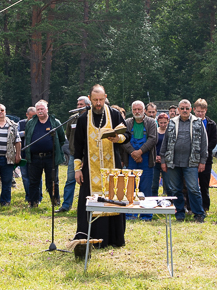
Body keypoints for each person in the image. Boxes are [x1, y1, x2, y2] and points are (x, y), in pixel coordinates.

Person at [70, 84, 131, 254]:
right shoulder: (83, 118)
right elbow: (78, 146)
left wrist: (117, 137)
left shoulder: (115, 114)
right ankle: (89, 236)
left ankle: (115, 238)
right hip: (90, 169)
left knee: (114, 199)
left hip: (112, 167)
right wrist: (77, 169)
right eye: (95, 100)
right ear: (89, 99)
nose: (98, 103)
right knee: (89, 201)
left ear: (105, 97)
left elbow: (127, 136)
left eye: (101, 99)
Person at [161, 99, 209, 222]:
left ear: (191, 109)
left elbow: (204, 143)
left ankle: (198, 214)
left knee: (193, 188)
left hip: (191, 162)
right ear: (178, 109)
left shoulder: (198, 123)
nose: (184, 110)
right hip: (173, 162)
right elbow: (165, 142)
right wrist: (163, 160)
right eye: (182, 108)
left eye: (187, 108)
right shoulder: (171, 122)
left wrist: (203, 161)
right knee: (175, 189)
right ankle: (179, 214)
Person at [24, 100, 66, 209]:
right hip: (34, 157)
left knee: (52, 181)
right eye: (38, 110)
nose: (40, 111)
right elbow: (27, 138)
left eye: (42, 109)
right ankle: (33, 203)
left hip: (50, 157)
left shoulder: (55, 122)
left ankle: (55, 202)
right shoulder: (31, 123)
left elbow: (62, 138)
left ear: (47, 110)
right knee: (33, 182)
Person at [122, 100, 158, 219]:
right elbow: (123, 140)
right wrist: (133, 152)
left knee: (146, 187)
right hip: (131, 158)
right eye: (134, 110)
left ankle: (146, 214)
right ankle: (130, 213)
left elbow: (153, 139)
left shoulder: (152, 122)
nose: (137, 112)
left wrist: (140, 151)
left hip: (146, 159)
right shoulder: (127, 122)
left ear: (144, 111)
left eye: (139, 109)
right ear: (131, 111)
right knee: (130, 186)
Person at [58, 95, 90, 213]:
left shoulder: (91, 118)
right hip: (74, 155)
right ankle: (66, 206)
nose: (79, 107)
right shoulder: (72, 118)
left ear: (88, 106)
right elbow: (68, 134)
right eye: (78, 105)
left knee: (87, 181)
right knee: (70, 180)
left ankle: (86, 207)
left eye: (81, 105)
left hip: (88, 156)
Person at [0, 103, 21, 208]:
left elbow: (17, 141)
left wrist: (18, 155)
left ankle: (5, 202)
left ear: (5, 112)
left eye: (2, 110)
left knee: (7, 181)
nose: (0, 112)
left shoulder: (12, 125)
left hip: (8, 157)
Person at [192, 99, 217, 213]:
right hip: (191, 159)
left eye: (202, 111)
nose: (200, 113)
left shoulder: (212, 124)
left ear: (206, 111)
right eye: (198, 111)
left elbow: (213, 141)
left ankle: (205, 207)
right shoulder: (190, 122)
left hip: (206, 159)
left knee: (204, 185)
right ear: (194, 110)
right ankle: (191, 207)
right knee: (191, 185)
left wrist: (203, 152)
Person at [153, 111, 169, 197]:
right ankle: (154, 200)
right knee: (154, 184)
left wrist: (163, 158)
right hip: (155, 160)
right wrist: (155, 156)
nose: (163, 124)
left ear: (168, 122)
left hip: (166, 161)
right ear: (158, 122)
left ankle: (169, 201)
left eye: (165, 123)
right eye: (161, 123)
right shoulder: (154, 132)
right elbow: (152, 146)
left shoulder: (170, 132)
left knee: (168, 184)